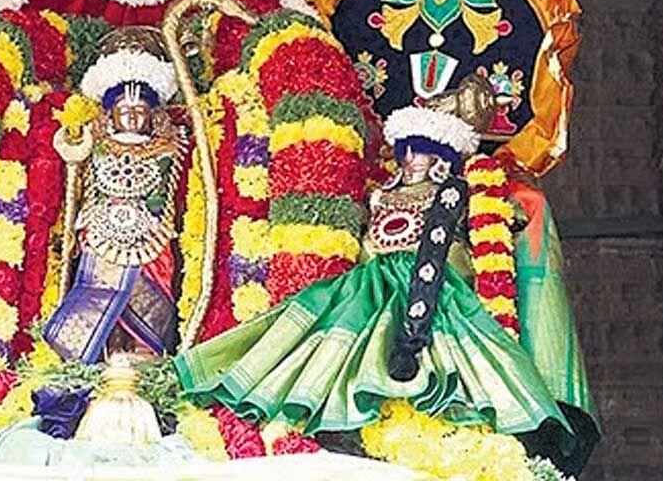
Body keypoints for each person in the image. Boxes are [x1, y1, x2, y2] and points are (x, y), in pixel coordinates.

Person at [175, 76, 593, 464]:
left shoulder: (460, 196)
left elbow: (510, 220)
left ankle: (445, 436)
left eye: (422, 152)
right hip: (367, 293)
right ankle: (340, 425)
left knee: (452, 377)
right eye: (405, 150)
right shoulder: (377, 197)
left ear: (443, 161)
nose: (410, 160)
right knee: (323, 349)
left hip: (437, 295)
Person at [43, 26, 187, 363]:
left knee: (154, 279)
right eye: (125, 111)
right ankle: (106, 346)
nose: (133, 117)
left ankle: (145, 350)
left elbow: (174, 196)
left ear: (154, 115)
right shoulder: (94, 142)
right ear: (111, 114)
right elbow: (76, 177)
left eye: (141, 112)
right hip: (102, 233)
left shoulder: (172, 144)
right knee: (99, 289)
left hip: (152, 235)